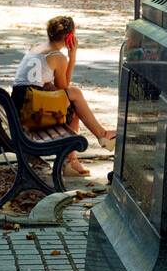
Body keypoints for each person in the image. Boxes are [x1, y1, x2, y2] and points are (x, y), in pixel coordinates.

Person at [12, 16, 116, 178]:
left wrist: (50, 87)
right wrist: (72, 55)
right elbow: (64, 86)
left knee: (73, 107)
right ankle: (102, 135)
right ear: (69, 37)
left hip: (20, 104)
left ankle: (73, 162)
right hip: (30, 112)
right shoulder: (58, 57)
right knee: (74, 93)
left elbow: (44, 85)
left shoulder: (37, 47)